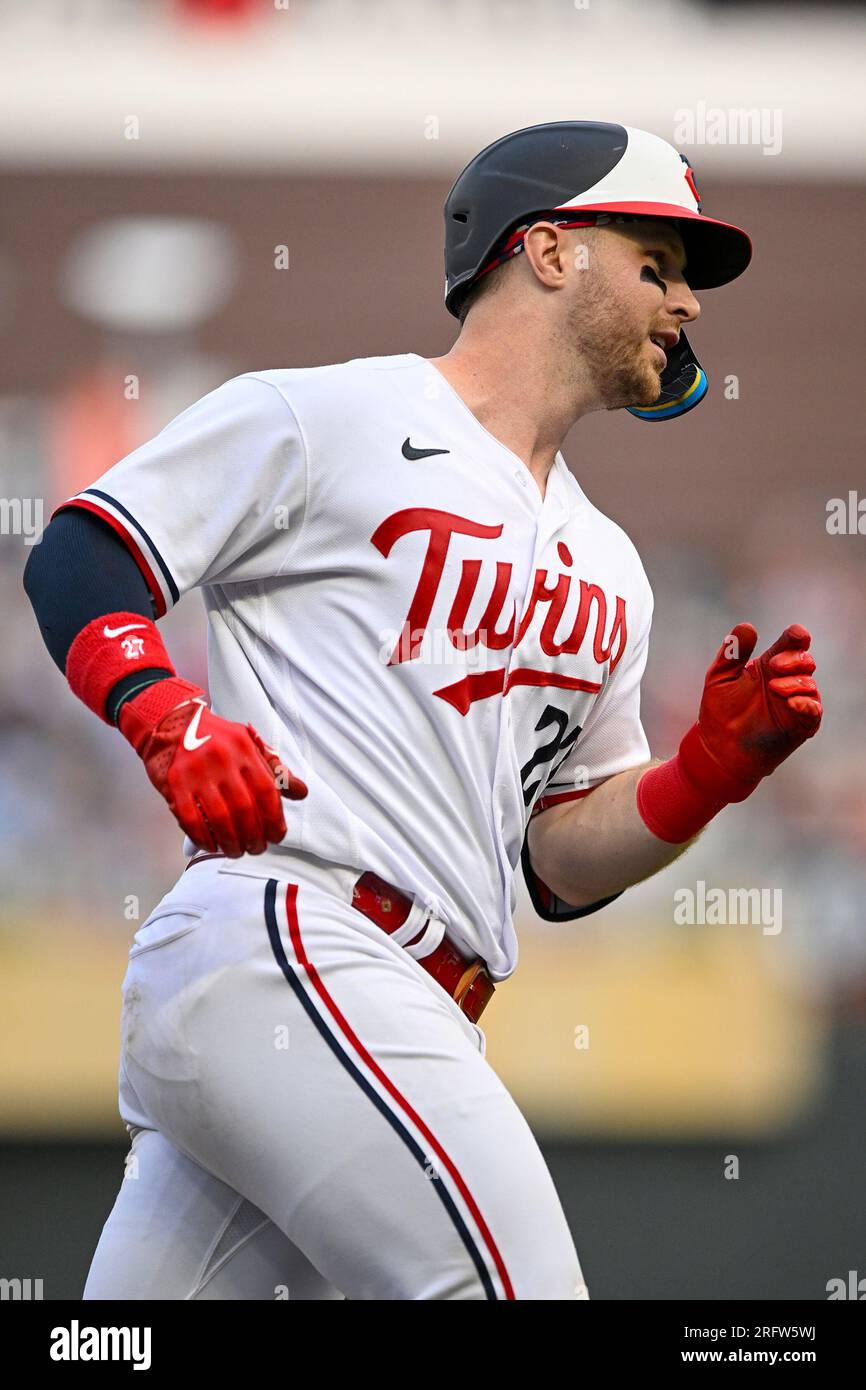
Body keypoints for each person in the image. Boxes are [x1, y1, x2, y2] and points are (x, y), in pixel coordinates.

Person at [23, 122, 822, 1300]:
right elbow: (84, 554)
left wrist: (706, 771)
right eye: (656, 262)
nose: (685, 304)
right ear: (547, 251)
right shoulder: (334, 415)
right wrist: (165, 717)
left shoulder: (611, 566)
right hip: (296, 940)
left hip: (384, 1009)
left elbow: (554, 864)